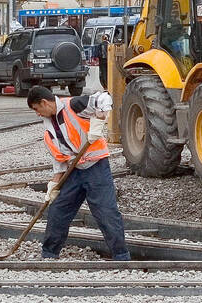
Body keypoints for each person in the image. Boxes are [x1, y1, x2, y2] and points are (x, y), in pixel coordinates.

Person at [26, 85, 128, 261]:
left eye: (37, 109)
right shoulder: (49, 128)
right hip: (73, 171)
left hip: (96, 168)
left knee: (105, 212)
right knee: (58, 209)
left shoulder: (73, 105)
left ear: (44, 102)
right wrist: (54, 186)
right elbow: (59, 159)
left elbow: (104, 98)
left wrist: (99, 120)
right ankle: (49, 254)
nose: (37, 113)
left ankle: (121, 256)